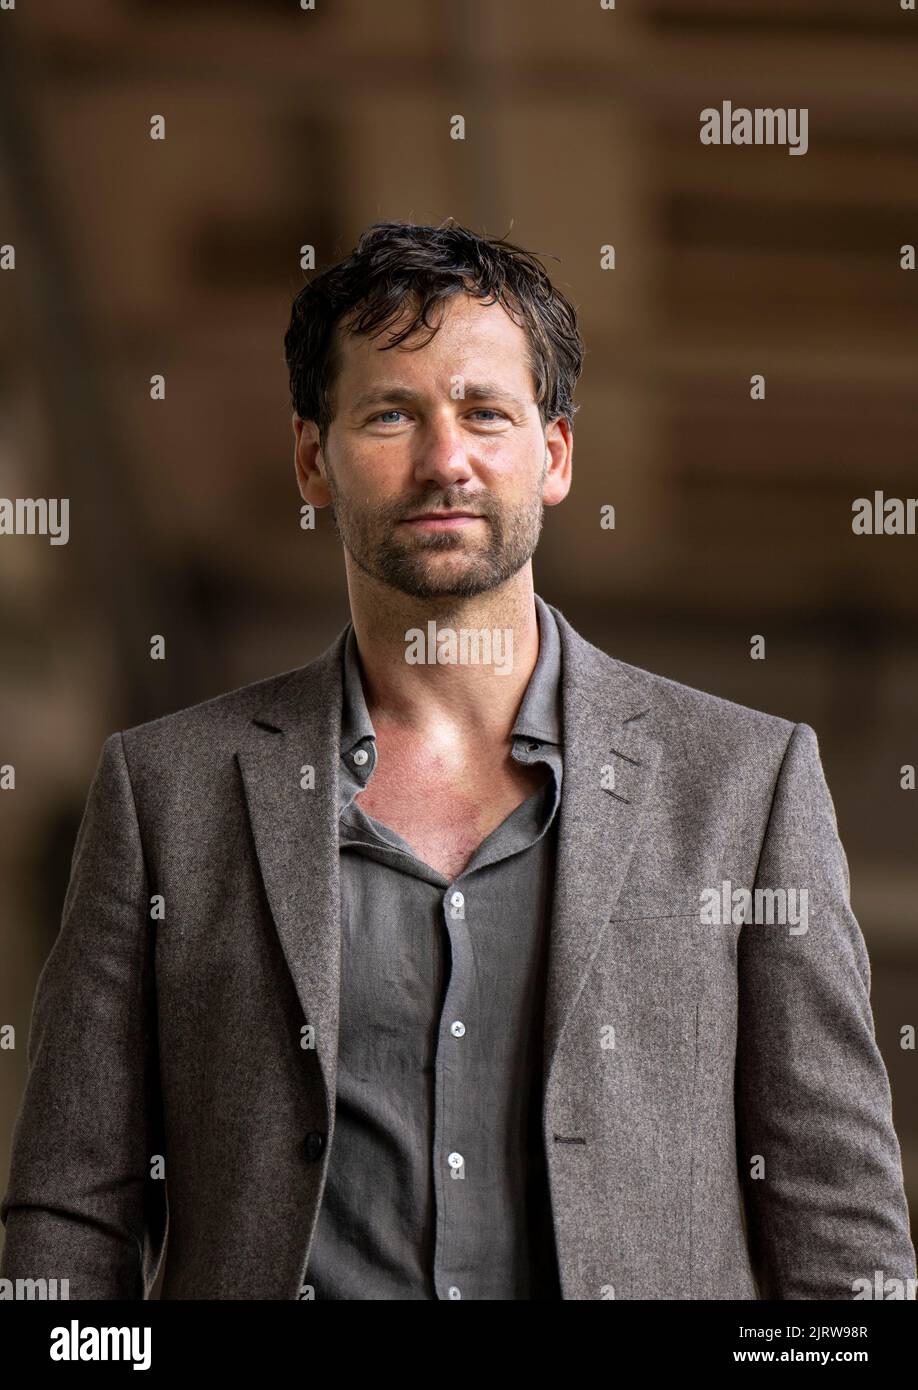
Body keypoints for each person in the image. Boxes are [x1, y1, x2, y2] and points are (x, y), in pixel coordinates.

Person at [1, 219, 914, 1300]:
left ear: (556, 453)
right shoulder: (167, 794)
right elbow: (71, 1211)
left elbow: (841, 1229)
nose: (446, 460)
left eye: (486, 412)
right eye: (392, 414)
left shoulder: (745, 788)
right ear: (313, 460)